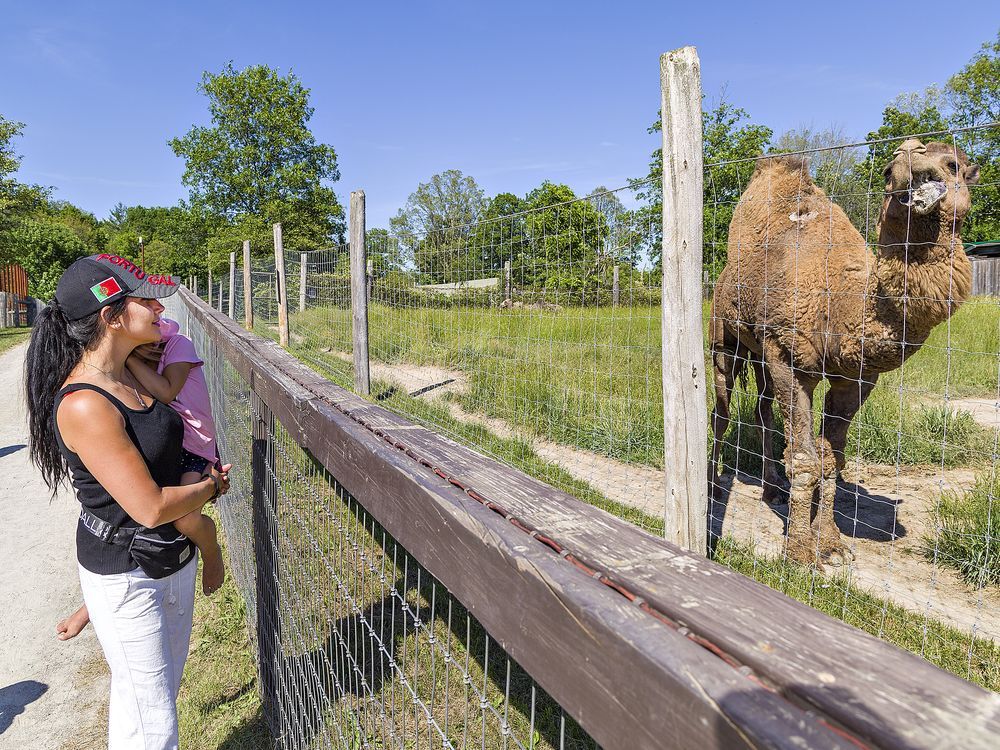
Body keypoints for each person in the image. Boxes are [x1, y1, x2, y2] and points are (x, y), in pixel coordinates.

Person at [26, 253, 231, 749]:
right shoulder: (85, 402)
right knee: (152, 720)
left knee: (152, 699)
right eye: (145, 298)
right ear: (111, 316)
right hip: (129, 571)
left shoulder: (128, 376)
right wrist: (211, 488)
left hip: (166, 560)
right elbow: (151, 508)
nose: (159, 306)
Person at [56, 315, 226, 641]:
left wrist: (132, 358)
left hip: (195, 448)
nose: (152, 352)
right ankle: (94, 604)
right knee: (129, 507)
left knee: (186, 519)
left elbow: (165, 391)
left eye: (151, 348)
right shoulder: (108, 382)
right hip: (170, 449)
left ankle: (211, 550)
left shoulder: (178, 345)